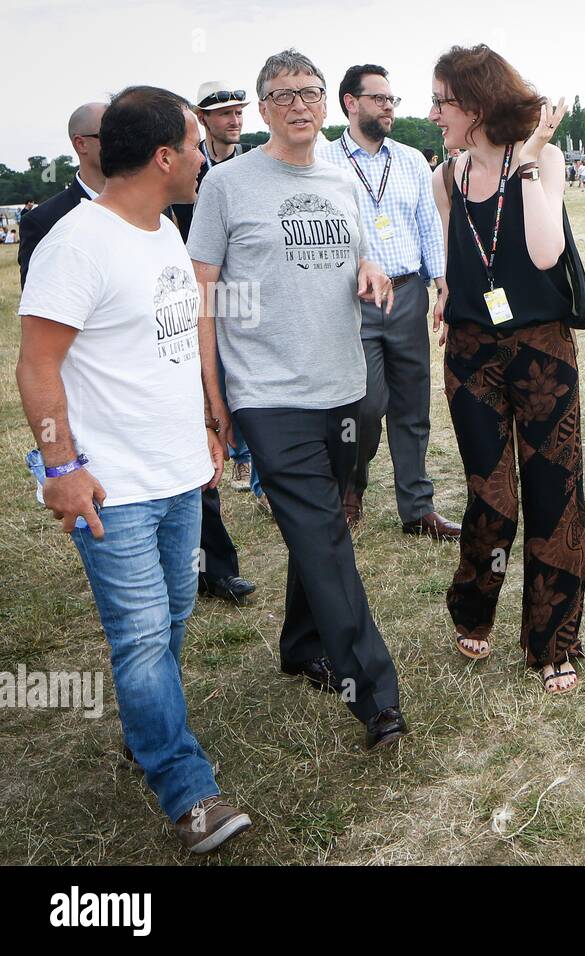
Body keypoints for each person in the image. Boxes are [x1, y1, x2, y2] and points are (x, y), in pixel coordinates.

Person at [16, 86, 252, 853]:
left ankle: (149, 730)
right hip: (111, 488)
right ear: (163, 157)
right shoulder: (77, 243)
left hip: (179, 477)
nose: (202, 158)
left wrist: (204, 433)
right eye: (194, 146)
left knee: (174, 618)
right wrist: (62, 466)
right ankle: (188, 791)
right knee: (144, 637)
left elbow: (168, 352)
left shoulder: (161, 234)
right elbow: (37, 367)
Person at [188, 49, 408, 750]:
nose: (298, 105)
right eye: (281, 96)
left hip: (343, 385)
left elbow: (354, 255)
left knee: (314, 532)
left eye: (309, 91)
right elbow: (202, 295)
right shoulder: (227, 184)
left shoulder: (342, 177)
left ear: (325, 101)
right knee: (324, 533)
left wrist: (371, 268)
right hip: (268, 392)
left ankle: (299, 641)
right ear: (262, 109)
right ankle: (374, 693)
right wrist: (213, 394)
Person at [430, 44, 585, 695]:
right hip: (470, 356)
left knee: (554, 495)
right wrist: (443, 293)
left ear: (475, 103)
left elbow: (546, 250)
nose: (433, 112)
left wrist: (525, 161)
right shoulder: (445, 177)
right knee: (492, 500)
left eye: (442, 101)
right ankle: (473, 605)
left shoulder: (541, 158)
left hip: (542, 351)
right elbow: (456, 253)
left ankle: (553, 642)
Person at [324, 63, 460, 541]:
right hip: (353, 302)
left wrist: (442, 283)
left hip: (407, 297)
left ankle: (417, 508)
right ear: (350, 103)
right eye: (379, 98)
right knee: (363, 407)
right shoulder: (324, 163)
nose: (389, 107)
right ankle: (350, 488)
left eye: (392, 99)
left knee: (412, 406)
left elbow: (428, 225)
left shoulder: (408, 160)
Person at [166, 82, 262, 603]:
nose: (234, 119)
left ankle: (262, 479)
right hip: (192, 310)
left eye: (238, 110)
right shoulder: (185, 171)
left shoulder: (250, 164)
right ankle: (211, 565)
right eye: (223, 112)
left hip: (242, 307)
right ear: (202, 119)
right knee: (203, 421)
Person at [18, 103, 107, 288]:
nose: (123, 143)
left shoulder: (154, 207)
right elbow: (38, 302)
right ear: (81, 143)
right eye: (111, 135)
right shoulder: (43, 221)